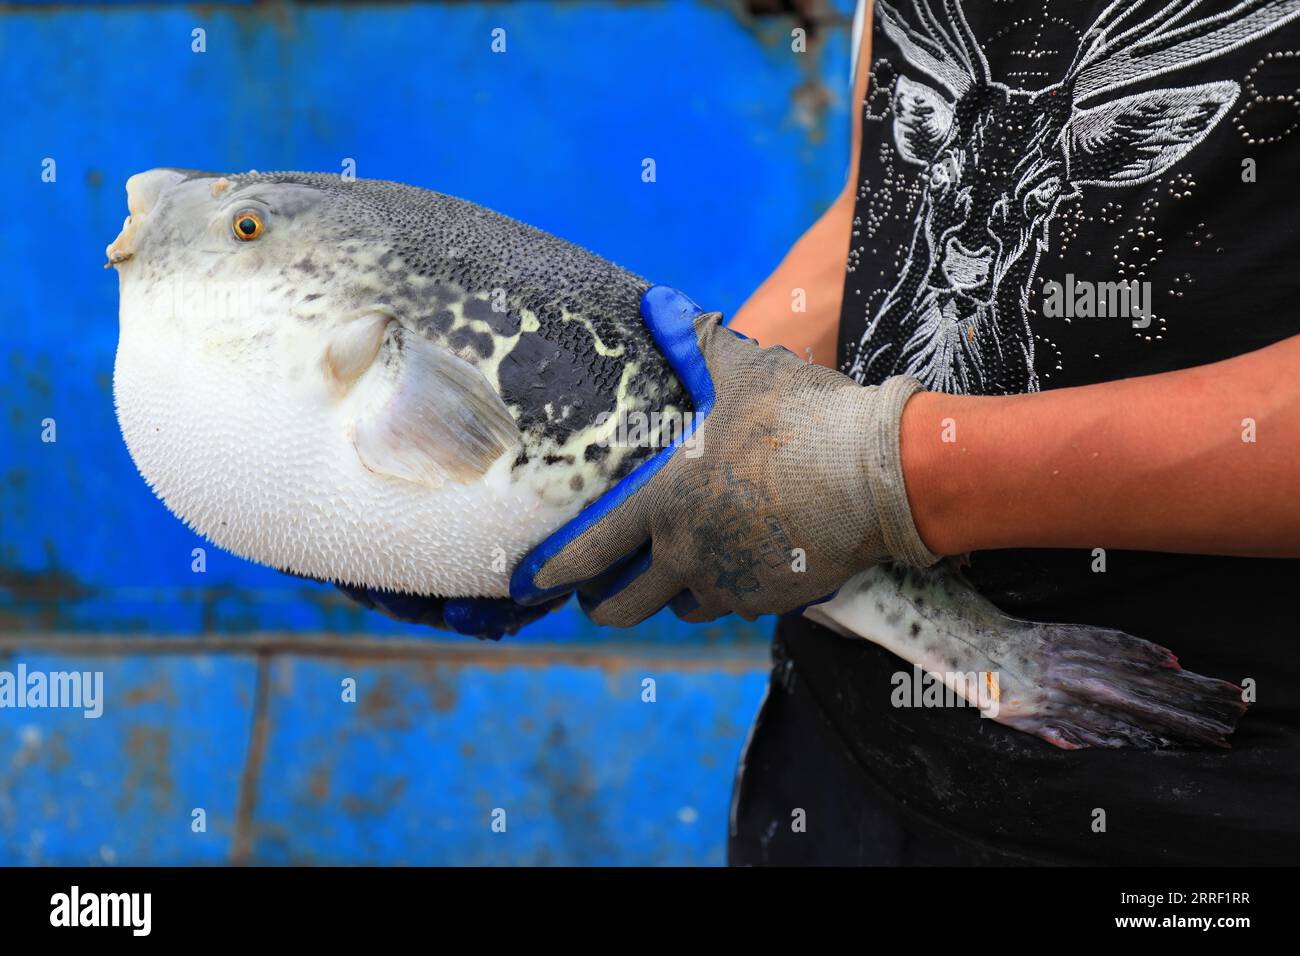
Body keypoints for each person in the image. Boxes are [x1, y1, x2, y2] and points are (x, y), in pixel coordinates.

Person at [511, 0, 1300, 865]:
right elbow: (880, 202)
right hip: (843, 758)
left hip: (1207, 819)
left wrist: (886, 475)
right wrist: (692, 425)